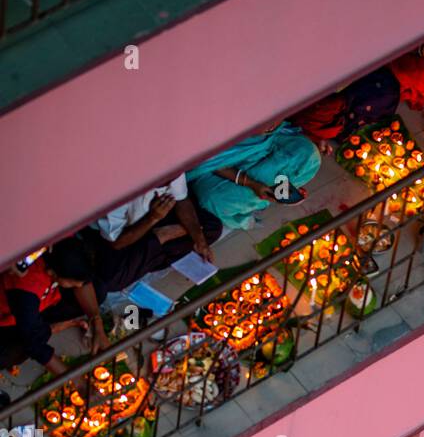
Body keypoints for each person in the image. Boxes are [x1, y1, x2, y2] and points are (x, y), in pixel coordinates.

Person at [88, 174, 221, 292]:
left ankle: (152, 255)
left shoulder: (172, 169)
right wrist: (153, 217)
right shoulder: (119, 192)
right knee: (112, 282)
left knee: (212, 228)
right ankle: (159, 243)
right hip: (128, 234)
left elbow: (181, 200)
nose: (169, 185)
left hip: (161, 216)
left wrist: (200, 241)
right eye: (165, 183)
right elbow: (117, 242)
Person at [0, 239, 107, 378]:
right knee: (17, 349)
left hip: (43, 303)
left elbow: (83, 279)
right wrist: (78, 383)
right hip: (9, 318)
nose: (79, 286)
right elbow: (35, 345)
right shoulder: (28, 286)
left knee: (97, 290)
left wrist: (97, 323)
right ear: (52, 273)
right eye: (72, 282)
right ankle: (54, 327)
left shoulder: (64, 244)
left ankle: (50, 326)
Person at [187, 122, 322, 231]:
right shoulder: (260, 140)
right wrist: (252, 184)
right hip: (217, 178)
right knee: (215, 200)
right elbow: (217, 164)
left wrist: (290, 194)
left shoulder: (299, 159)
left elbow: (278, 184)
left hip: (239, 187)